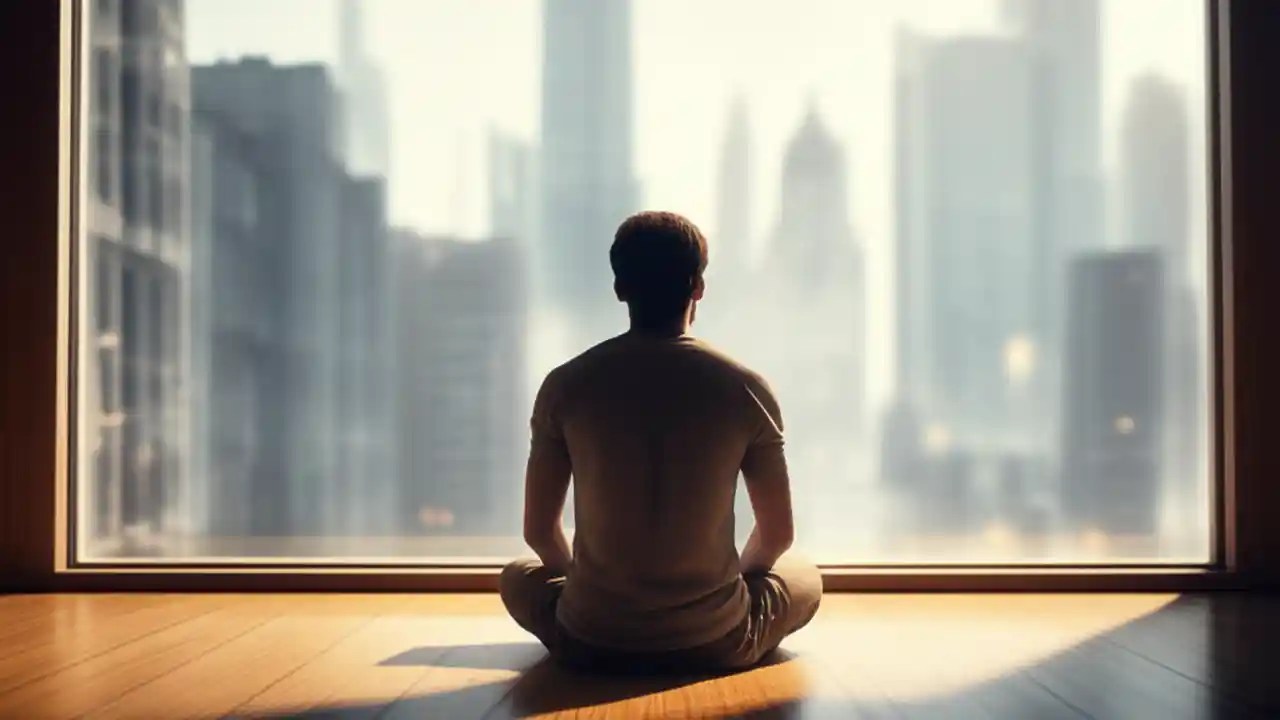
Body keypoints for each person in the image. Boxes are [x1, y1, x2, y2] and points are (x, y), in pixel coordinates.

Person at [501, 211, 821, 674]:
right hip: (717, 640)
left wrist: (589, 593)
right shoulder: (744, 387)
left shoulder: (565, 385)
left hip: (590, 639)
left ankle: (597, 613)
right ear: (698, 287)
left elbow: (538, 532)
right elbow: (777, 535)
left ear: (620, 287)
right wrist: (736, 587)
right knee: (805, 576)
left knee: (515, 576)